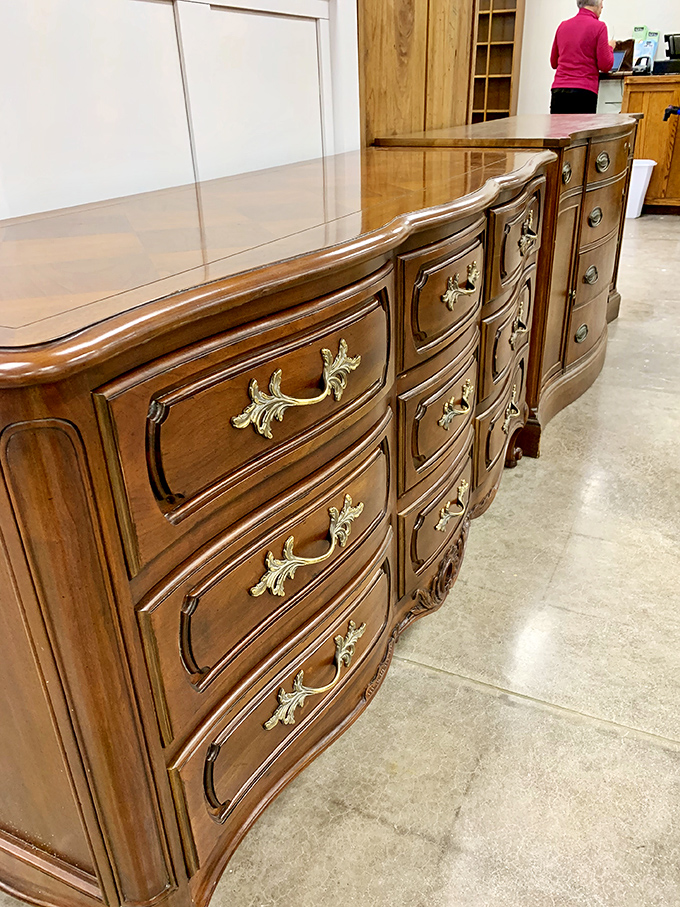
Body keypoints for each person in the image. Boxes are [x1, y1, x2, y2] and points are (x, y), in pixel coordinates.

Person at [550, 0, 616, 113]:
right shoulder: (599, 27)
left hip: (559, 90)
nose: (602, 7)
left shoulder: (563, 26)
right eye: (601, 3)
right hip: (584, 91)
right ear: (596, 5)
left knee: (559, 130)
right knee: (582, 130)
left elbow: (553, 62)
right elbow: (605, 65)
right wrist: (610, 47)